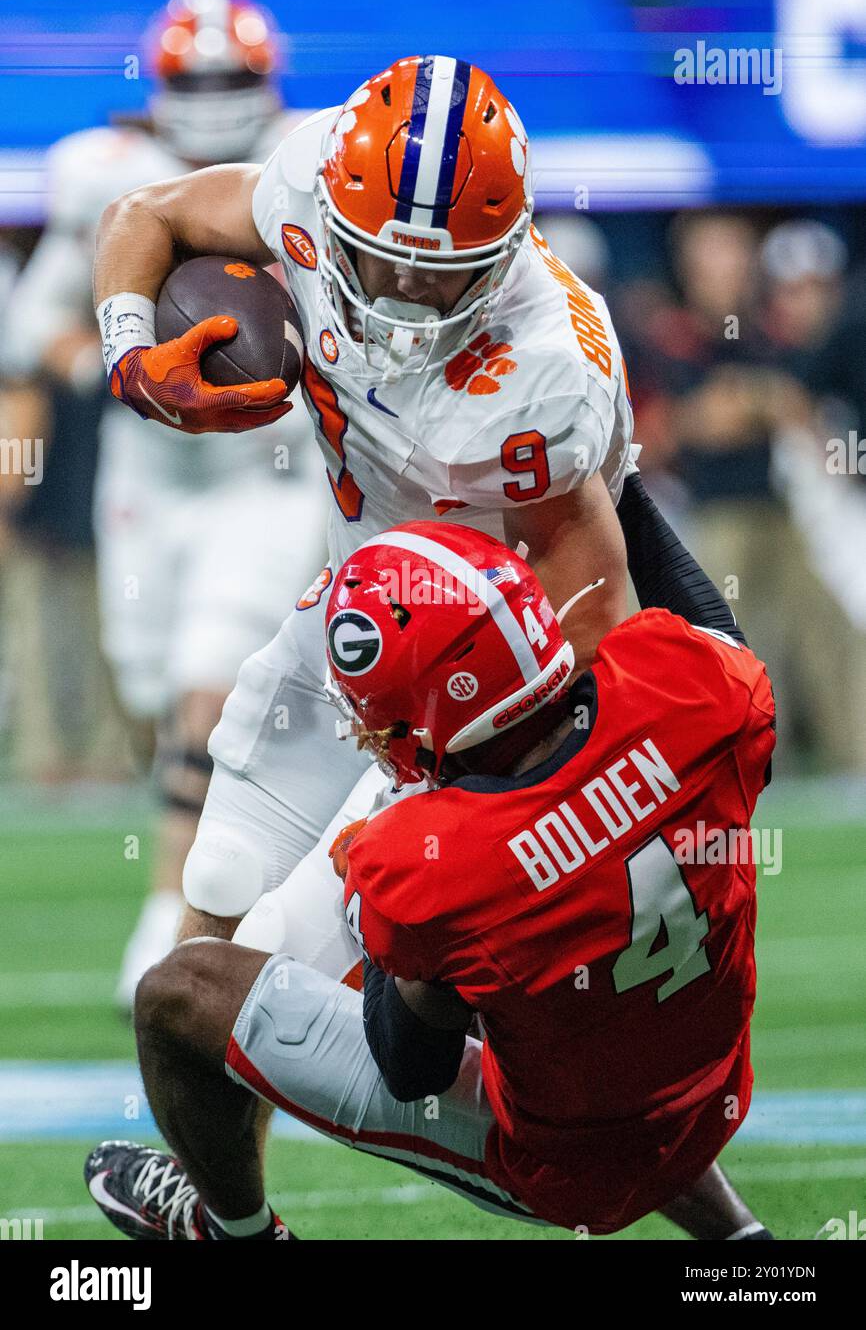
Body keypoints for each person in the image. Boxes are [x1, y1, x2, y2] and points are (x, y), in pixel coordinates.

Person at [84, 462, 776, 1240]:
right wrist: (614, 470)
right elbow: (711, 627)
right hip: (712, 1081)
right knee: (583, 1010)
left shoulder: (435, 862)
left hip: (564, 1165)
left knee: (176, 995)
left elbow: (411, 1065)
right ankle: (742, 1240)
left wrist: (376, 889)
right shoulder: (693, 694)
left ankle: (234, 1232)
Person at [90, 54, 633, 993]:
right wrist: (135, 358)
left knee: (319, 957)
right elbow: (144, 216)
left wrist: (458, 744)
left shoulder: (544, 369)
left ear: (503, 256)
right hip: (353, 606)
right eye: (377, 256)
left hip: (477, 674)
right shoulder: (307, 177)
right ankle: (193, 1146)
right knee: (215, 888)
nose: (397, 294)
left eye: (437, 275)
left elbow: (593, 598)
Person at [0, 0, 327, 1006]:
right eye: (200, 80)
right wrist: (131, 363)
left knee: (211, 677)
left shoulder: (311, 164)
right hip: (152, 476)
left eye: (234, 79)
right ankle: (228, 863)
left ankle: (175, 906)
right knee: (154, 693)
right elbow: (35, 331)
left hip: (271, 475)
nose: (219, 99)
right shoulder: (109, 174)